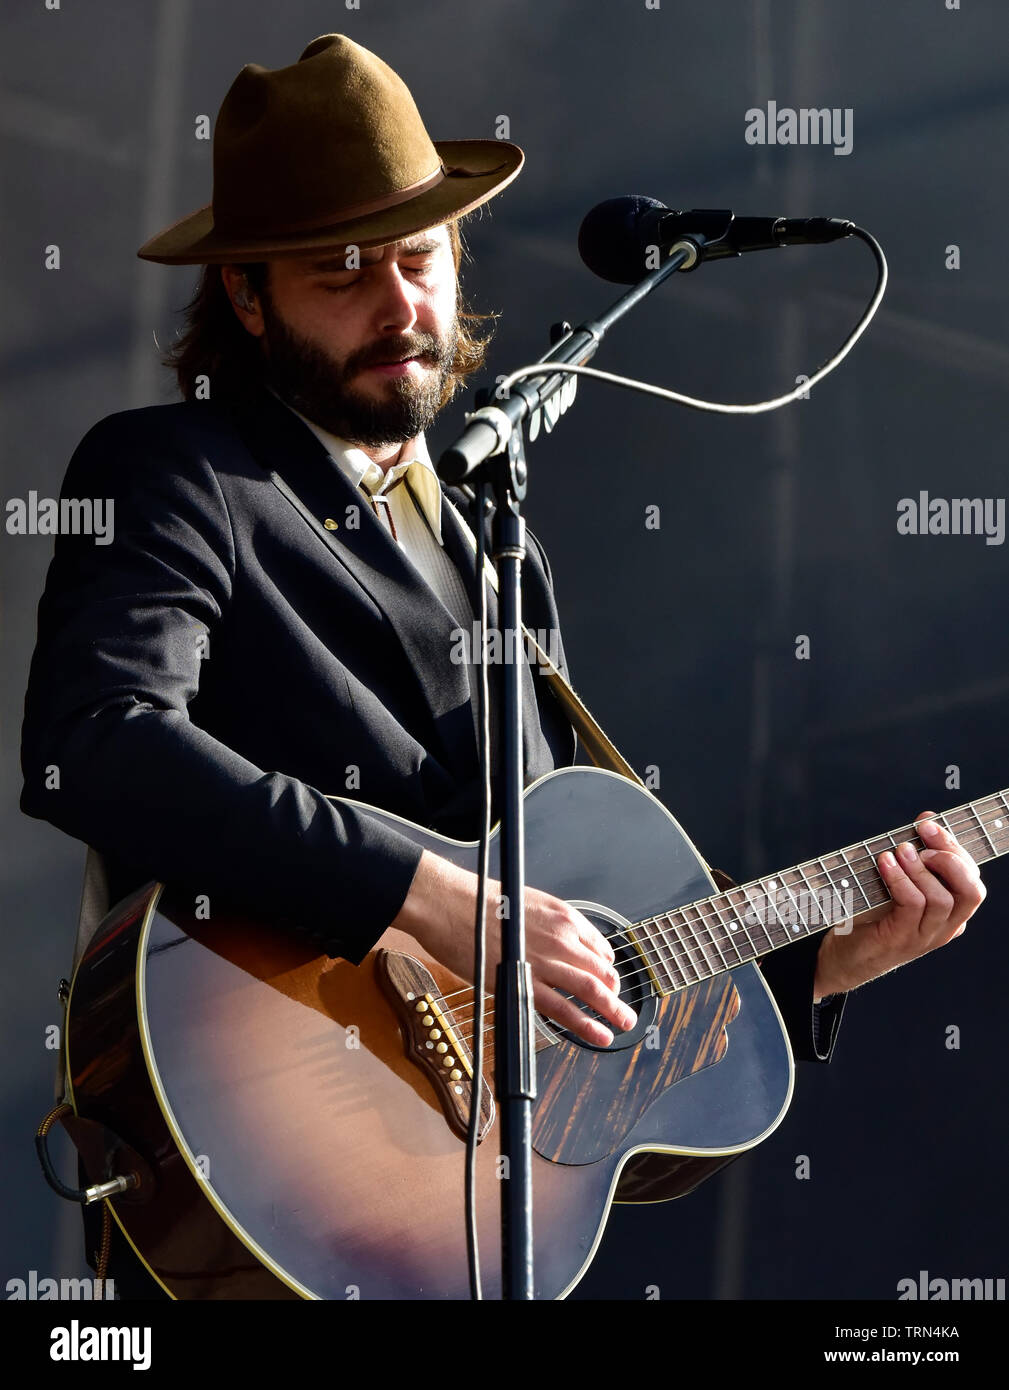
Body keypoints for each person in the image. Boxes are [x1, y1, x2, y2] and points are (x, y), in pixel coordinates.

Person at [19, 33, 985, 1301]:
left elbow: (582, 930)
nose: (400, 307)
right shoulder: (180, 473)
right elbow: (93, 738)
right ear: (247, 297)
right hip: (254, 1140)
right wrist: (434, 901)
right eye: (341, 275)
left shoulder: (497, 547)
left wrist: (815, 960)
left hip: (451, 1201)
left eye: (420, 260)